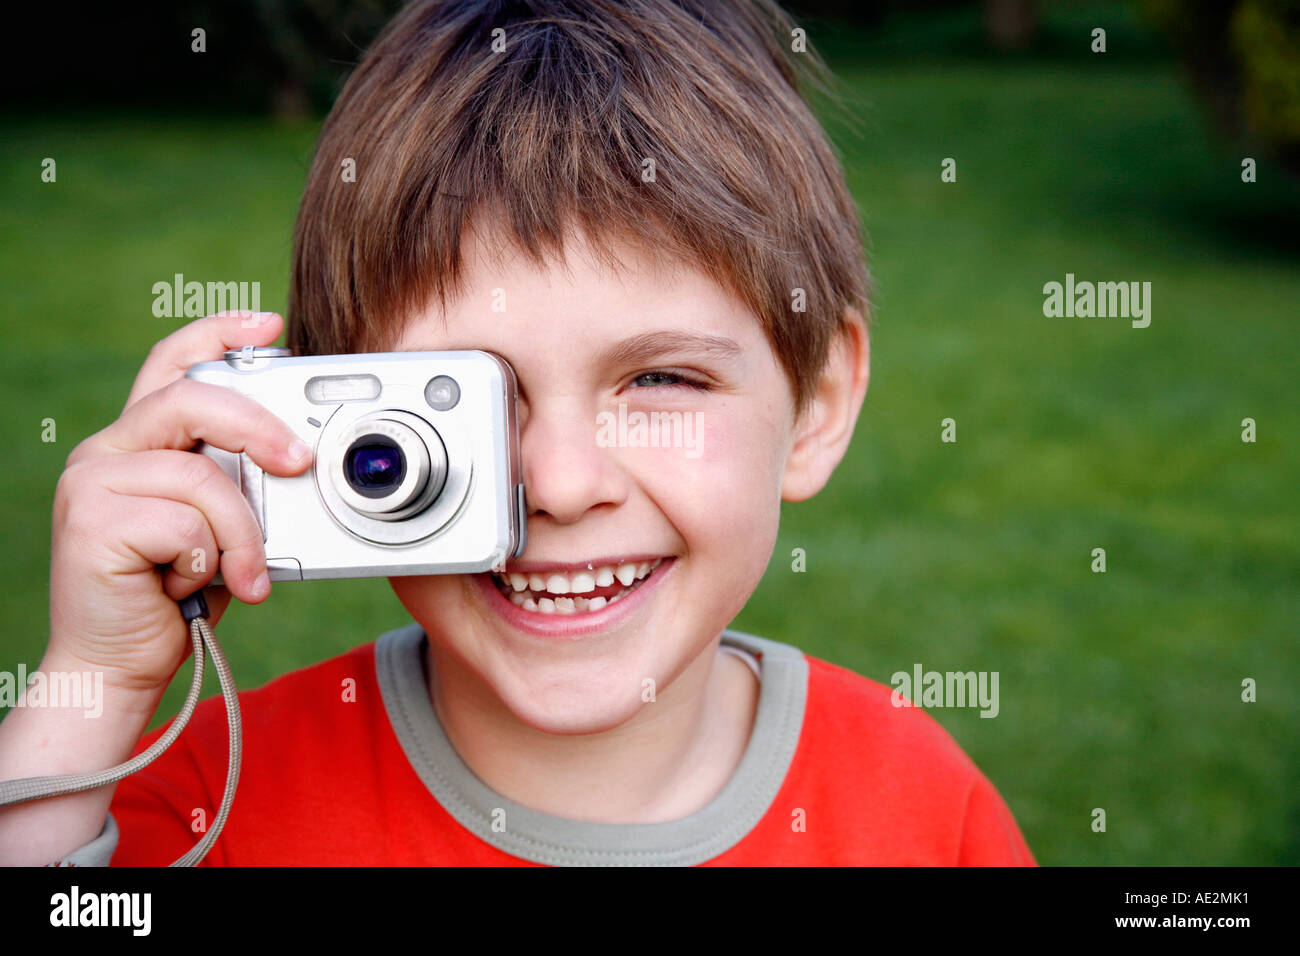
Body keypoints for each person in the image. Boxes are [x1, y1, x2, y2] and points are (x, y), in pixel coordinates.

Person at [0, 0, 1034, 865]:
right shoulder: (206, 798)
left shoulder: (915, 808)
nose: (561, 480)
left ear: (814, 406)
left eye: (662, 377)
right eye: (460, 397)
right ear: (320, 420)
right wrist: (88, 683)